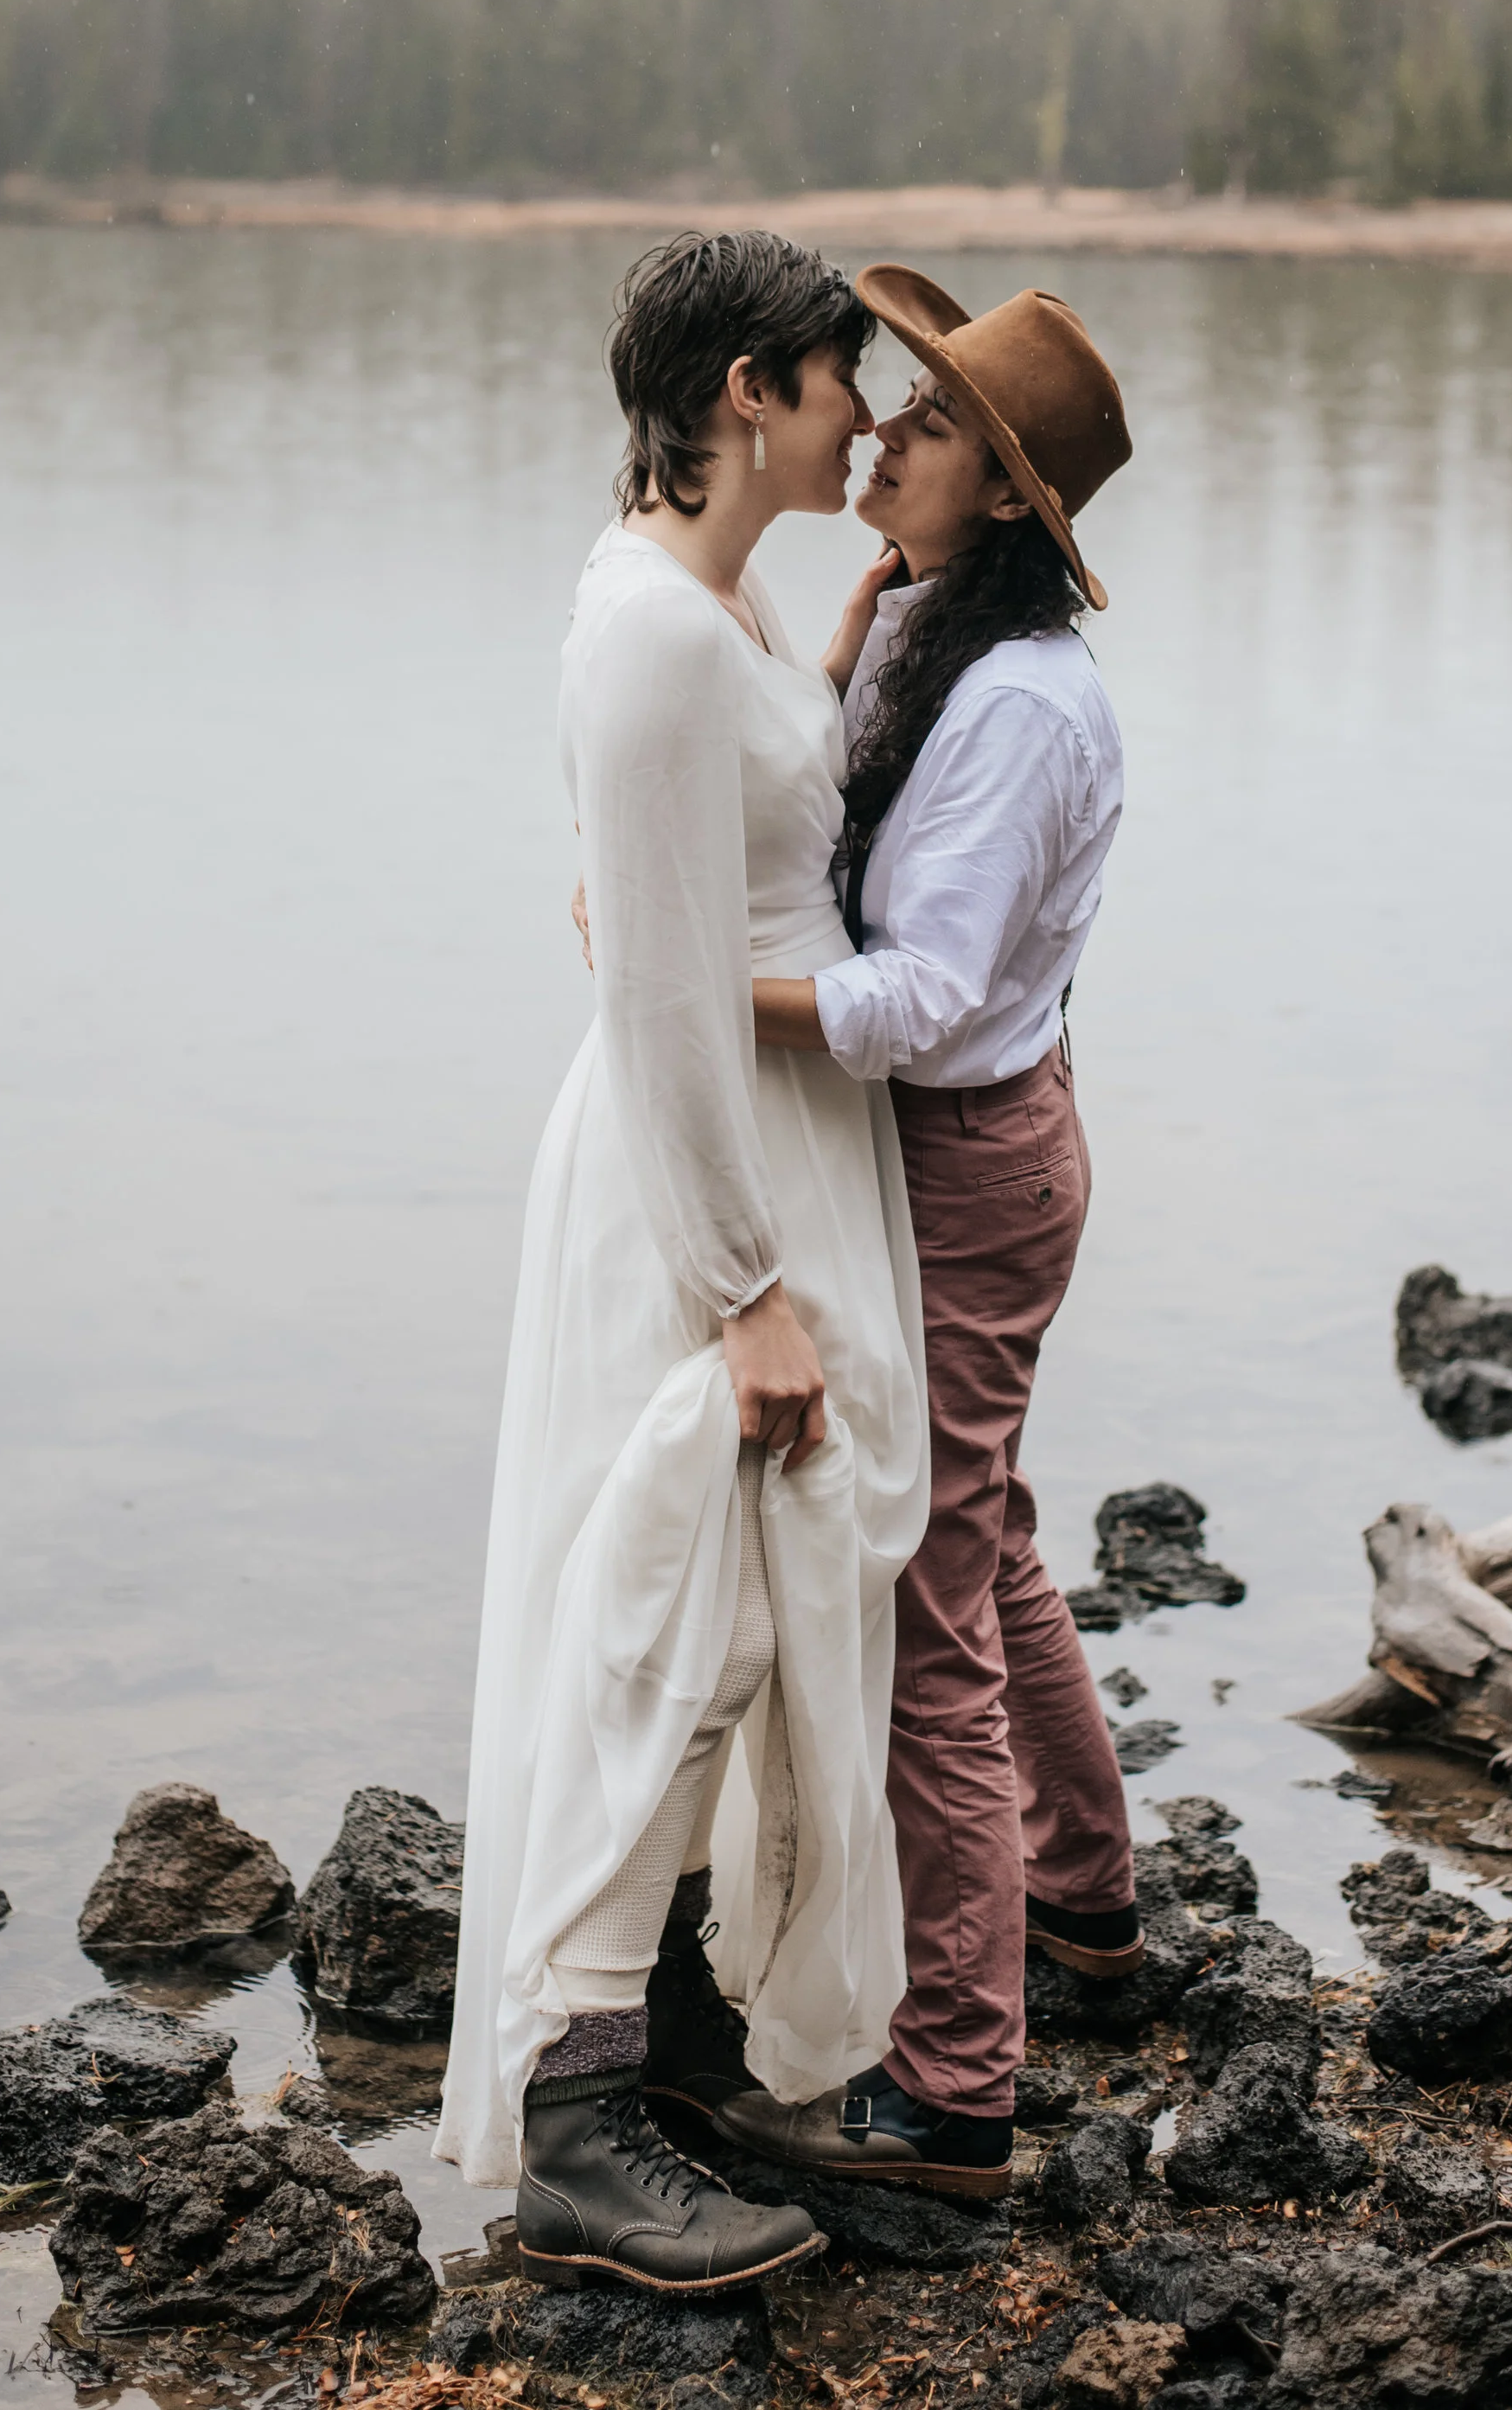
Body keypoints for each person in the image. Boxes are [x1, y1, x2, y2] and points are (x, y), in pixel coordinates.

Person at [436, 232, 929, 2298]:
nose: (863, 418)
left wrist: (842, 640)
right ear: (749, 388)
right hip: (694, 1183)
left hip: (773, 1145)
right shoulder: (646, 629)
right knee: (672, 1610)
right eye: (840, 381)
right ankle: (570, 2113)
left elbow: (704, 858)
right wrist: (736, 1286)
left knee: (755, 1598)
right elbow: (654, 979)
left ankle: (682, 2039)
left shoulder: (707, 603)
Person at [716, 266, 1139, 2202]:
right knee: (987, 1528)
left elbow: (921, 1002)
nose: (881, 428)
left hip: (966, 1160)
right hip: (949, 1150)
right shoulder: (914, 612)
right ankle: (1087, 1900)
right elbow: (816, 802)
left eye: (932, 424)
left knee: (923, 1604)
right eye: (891, 401)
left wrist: (691, 991)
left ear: (1007, 497)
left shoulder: (1029, 708)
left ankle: (959, 2089)